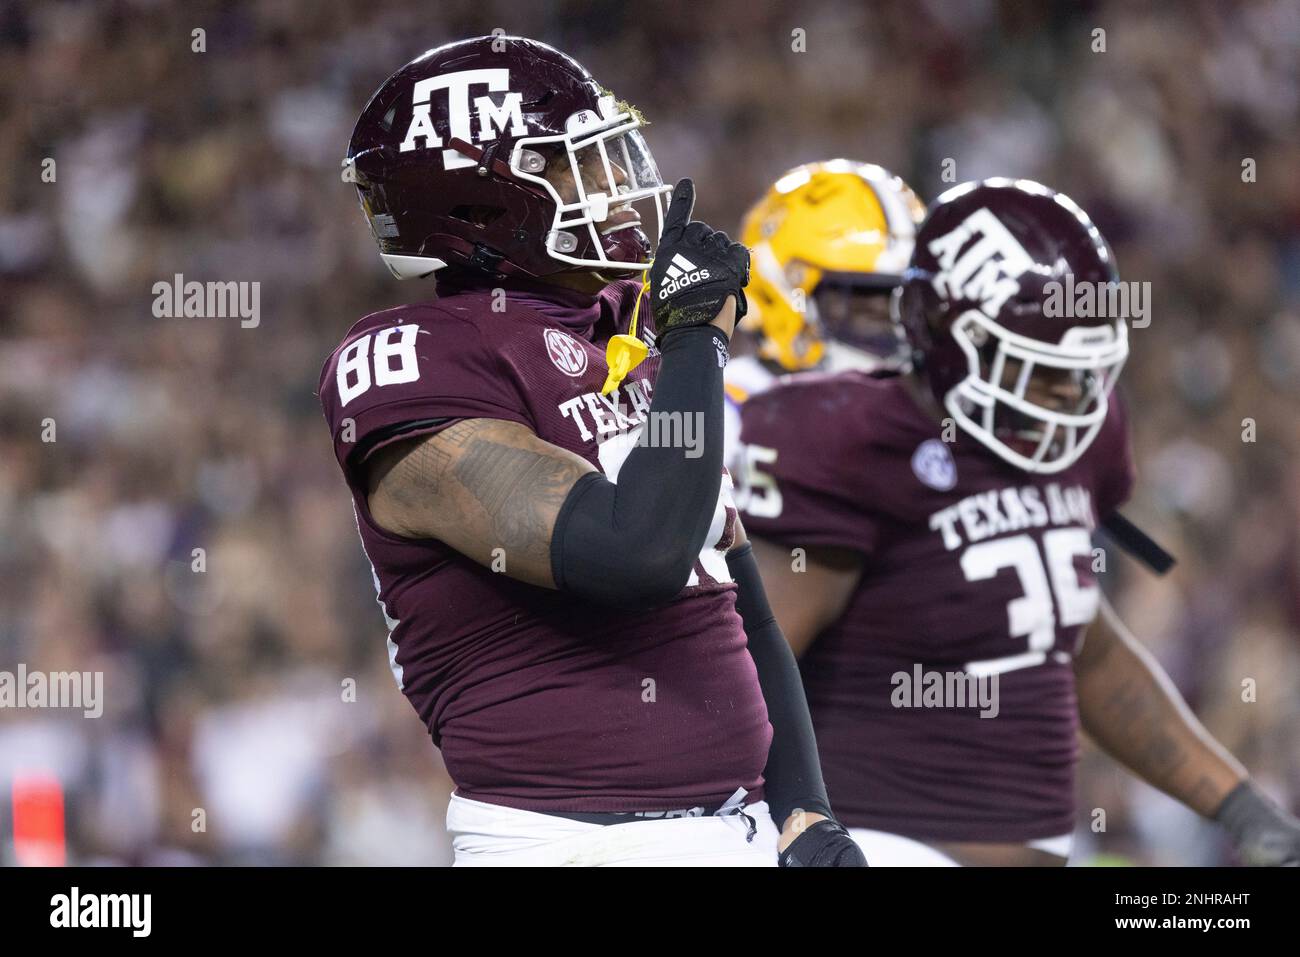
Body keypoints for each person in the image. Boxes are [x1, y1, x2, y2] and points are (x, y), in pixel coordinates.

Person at [320, 35, 863, 866]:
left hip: (740, 825)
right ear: (476, 207)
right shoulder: (419, 359)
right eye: (570, 166)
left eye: (606, 157)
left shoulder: (622, 325)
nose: (611, 187)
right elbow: (635, 552)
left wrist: (805, 812)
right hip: (572, 843)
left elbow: (739, 596)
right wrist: (695, 346)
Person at [735, 177, 1300, 865]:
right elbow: (746, 667)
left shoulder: (1065, 439)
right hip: (881, 847)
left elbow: (1087, 652)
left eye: (1080, 372)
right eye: (1039, 370)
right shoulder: (853, 443)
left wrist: (1244, 811)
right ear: (944, 337)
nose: (1069, 398)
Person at [723, 160, 924, 493]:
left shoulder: (924, 405)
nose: (889, 319)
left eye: (899, 299)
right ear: (782, 286)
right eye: (860, 296)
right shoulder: (725, 411)